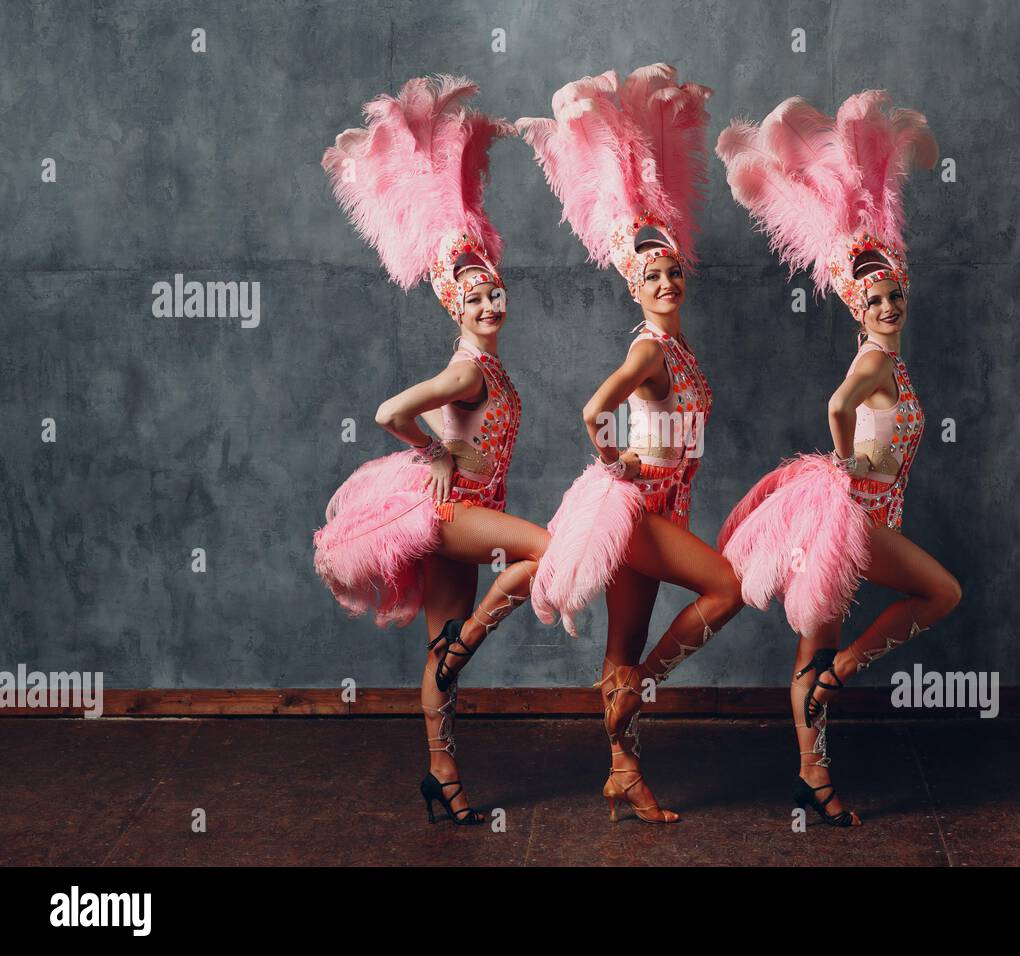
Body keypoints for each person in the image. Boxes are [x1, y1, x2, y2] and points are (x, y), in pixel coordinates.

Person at [715, 90, 961, 827]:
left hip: (849, 512)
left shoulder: (883, 354)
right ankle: (846, 674)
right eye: (876, 298)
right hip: (856, 518)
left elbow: (861, 414)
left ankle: (812, 779)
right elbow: (841, 402)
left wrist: (854, 458)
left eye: (894, 294)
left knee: (808, 650)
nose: (889, 306)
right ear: (856, 305)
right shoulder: (875, 364)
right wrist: (849, 459)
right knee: (941, 593)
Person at [313, 75, 548, 826]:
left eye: (494, 291)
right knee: (551, 554)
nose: (489, 302)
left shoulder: (487, 363)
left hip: (466, 507)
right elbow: (388, 412)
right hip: (454, 511)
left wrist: (445, 452)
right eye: (475, 297)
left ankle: (442, 776)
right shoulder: (466, 367)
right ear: (455, 304)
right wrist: (435, 455)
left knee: (438, 639)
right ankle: (466, 646)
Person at [516, 64, 744, 824]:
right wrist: (616, 464)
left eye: (674, 269)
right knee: (728, 589)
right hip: (640, 507)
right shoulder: (648, 351)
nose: (667, 279)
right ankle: (638, 688)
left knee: (623, 642)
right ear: (634, 287)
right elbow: (594, 410)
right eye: (653, 274)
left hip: (665, 507)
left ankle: (624, 771)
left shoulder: (678, 352)